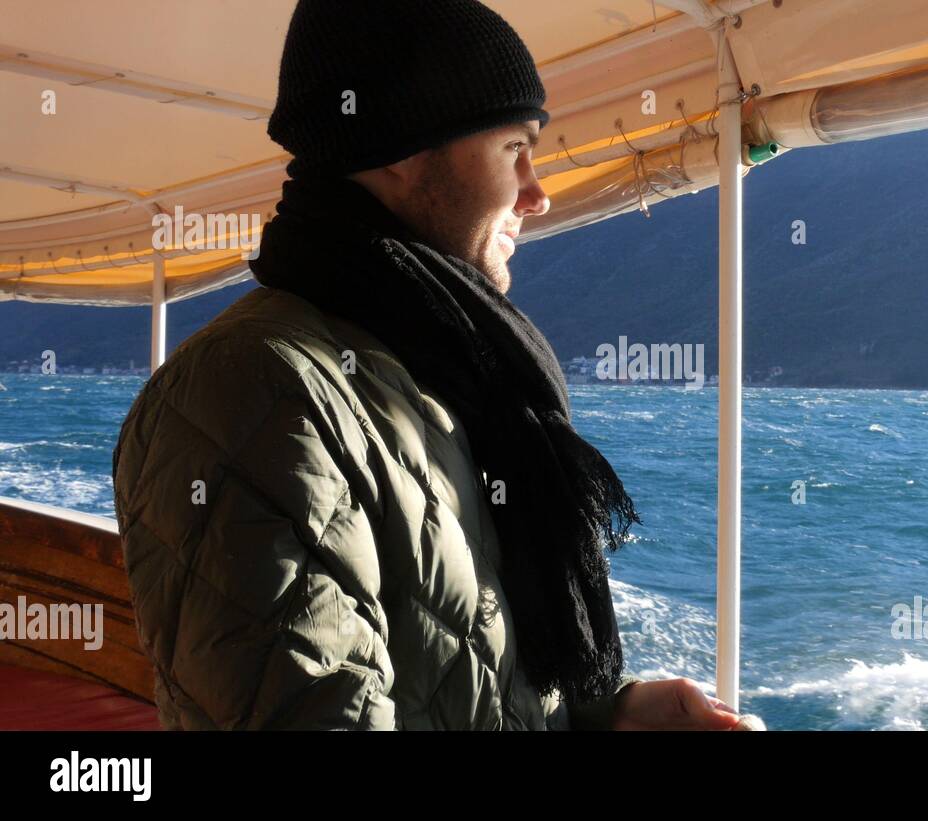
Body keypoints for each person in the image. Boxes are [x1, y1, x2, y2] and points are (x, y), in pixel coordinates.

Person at [110, 0, 744, 730]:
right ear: (398, 150)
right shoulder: (251, 389)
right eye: (514, 148)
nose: (537, 194)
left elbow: (463, 664)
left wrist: (613, 715)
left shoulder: (442, 368)